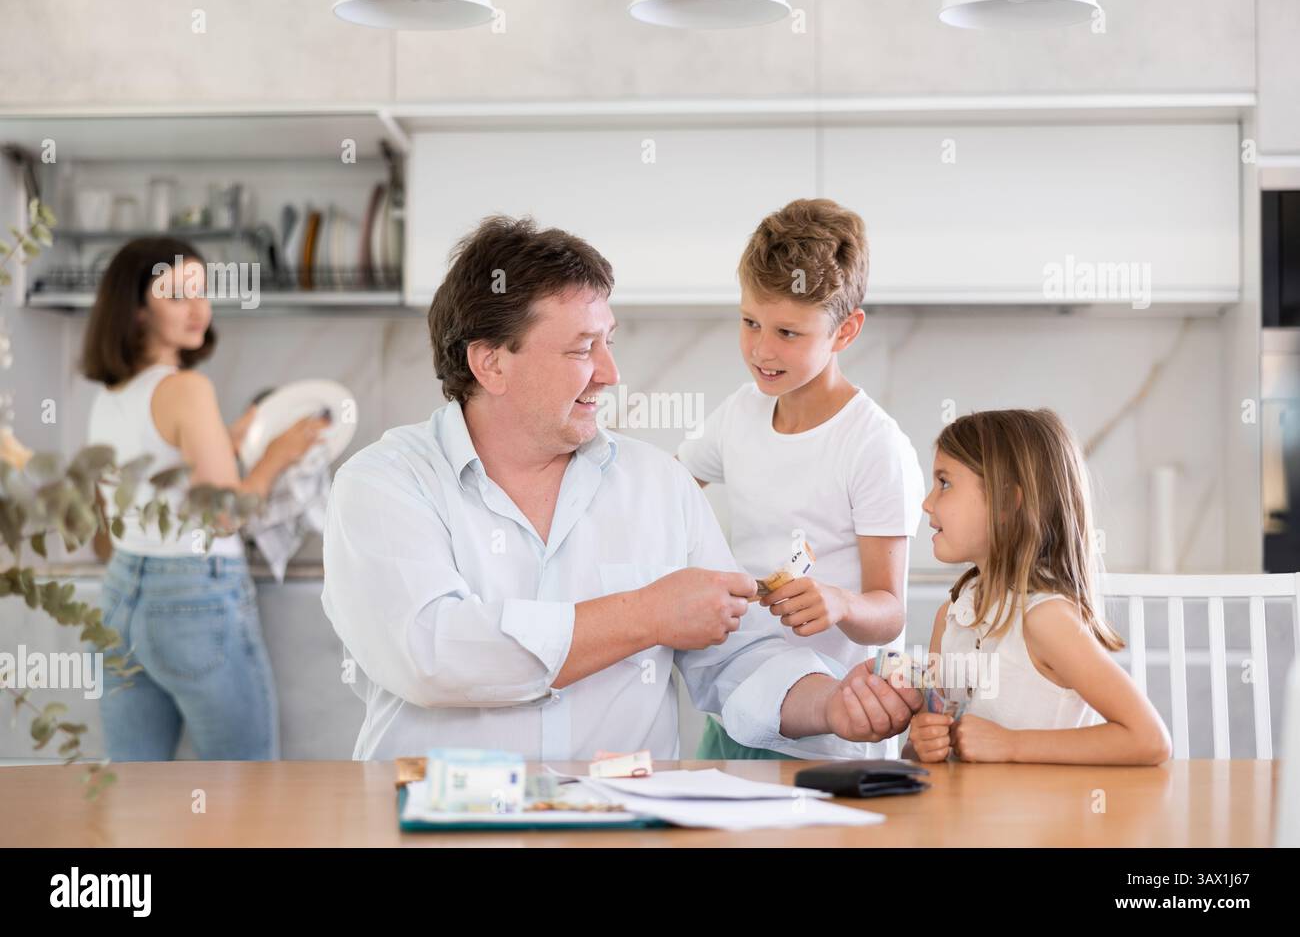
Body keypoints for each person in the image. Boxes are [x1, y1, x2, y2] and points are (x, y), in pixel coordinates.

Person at [321, 216, 922, 761]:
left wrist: (830, 705)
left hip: (620, 827)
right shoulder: (383, 486)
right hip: (437, 829)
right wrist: (646, 615)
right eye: (584, 349)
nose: (611, 373)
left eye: (610, 342)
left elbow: (739, 659)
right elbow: (432, 656)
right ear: (491, 364)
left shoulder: (656, 484)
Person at [677, 198, 925, 759]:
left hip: (831, 734)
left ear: (845, 331)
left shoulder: (872, 445)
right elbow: (668, 491)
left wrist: (840, 602)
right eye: (749, 322)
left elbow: (889, 615)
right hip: (739, 703)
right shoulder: (740, 413)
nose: (762, 349)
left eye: (789, 332)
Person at [82, 237, 327, 761]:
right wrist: (275, 456)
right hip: (193, 597)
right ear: (138, 308)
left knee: (135, 792)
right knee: (247, 790)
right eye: (177, 295)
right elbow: (222, 515)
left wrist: (227, 443)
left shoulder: (109, 396)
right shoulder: (186, 388)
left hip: (122, 595)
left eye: (201, 291)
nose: (198, 309)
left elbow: (160, 479)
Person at [905, 409, 1171, 765]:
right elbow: (928, 749)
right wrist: (923, 744)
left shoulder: (1046, 621)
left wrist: (1012, 745)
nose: (926, 502)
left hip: (1047, 819)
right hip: (972, 817)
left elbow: (1149, 739)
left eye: (945, 483)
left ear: (1006, 503)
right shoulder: (950, 618)